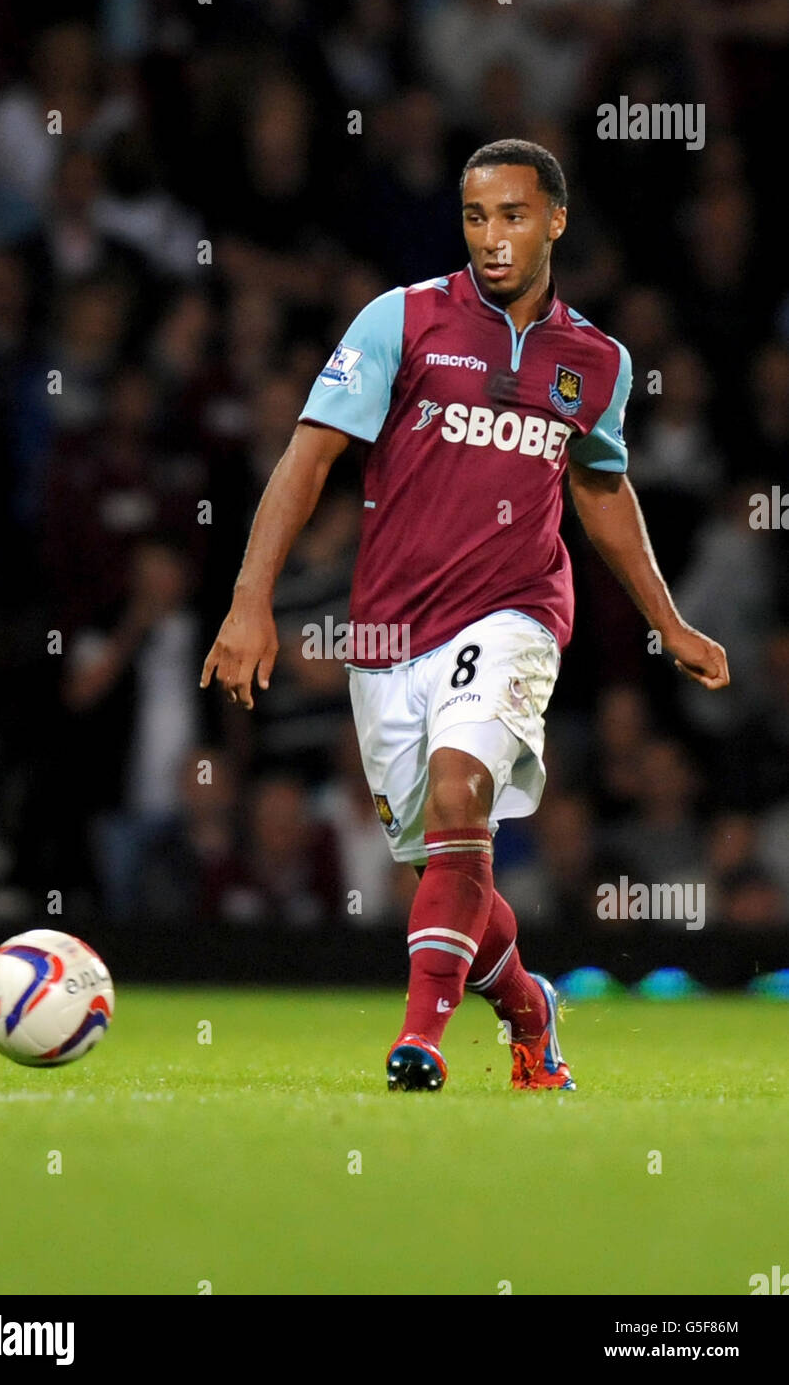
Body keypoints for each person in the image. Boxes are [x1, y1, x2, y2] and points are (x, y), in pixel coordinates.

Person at [201, 139, 729, 1093]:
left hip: (515, 614)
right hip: (388, 636)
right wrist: (251, 602)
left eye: (514, 215)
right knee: (447, 868)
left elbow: (602, 492)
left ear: (556, 220)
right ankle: (529, 1010)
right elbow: (307, 457)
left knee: (460, 797)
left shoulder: (595, 361)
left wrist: (669, 620)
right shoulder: (398, 320)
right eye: (477, 217)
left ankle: (419, 1044)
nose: (493, 237)